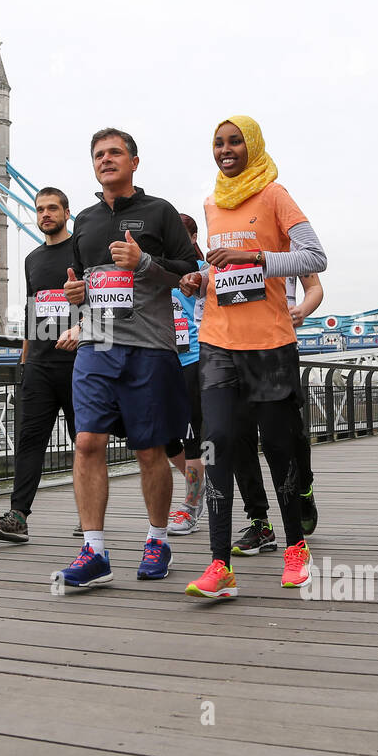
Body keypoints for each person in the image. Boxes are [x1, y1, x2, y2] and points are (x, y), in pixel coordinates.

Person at [182, 115, 327, 599]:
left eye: (234, 142)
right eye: (218, 143)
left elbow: (314, 259)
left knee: (281, 446)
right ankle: (219, 564)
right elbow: (218, 271)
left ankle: (295, 547)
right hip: (218, 342)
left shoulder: (274, 195)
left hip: (269, 344)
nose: (225, 150)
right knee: (218, 445)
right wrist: (199, 279)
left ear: (253, 146)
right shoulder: (211, 204)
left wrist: (258, 259)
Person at [57, 128, 196, 588]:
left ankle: (158, 540)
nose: (106, 159)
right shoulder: (86, 221)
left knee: (149, 450)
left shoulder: (160, 212)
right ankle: (94, 550)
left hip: (150, 348)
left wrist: (143, 263)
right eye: (98, 154)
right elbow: (84, 287)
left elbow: (189, 275)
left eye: (115, 152)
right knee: (87, 443)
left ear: (135, 162)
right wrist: (75, 295)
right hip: (96, 346)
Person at [0, 188, 81, 543]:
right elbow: (30, 311)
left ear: (66, 213)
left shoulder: (81, 251)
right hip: (38, 364)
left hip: (77, 363)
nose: (45, 215)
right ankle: (18, 516)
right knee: (29, 441)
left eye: (52, 208)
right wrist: (24, 363)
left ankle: (89, 513)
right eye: (39, 209)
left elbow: (100, 301)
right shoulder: (33, 258)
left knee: (82, 441)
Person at [230, 268, 324, 555]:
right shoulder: (225, 239)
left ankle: (303, 489)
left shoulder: (289, 241)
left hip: (277, 348)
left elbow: (315, 288)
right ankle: (260, 523)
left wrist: (302, 310)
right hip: (232, 348)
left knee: (287, 437)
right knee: (237, 437)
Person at [165, 213, 208, 536]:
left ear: (193, 238)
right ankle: (200, 483)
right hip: (162, 361)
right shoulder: (161, 270)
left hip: (195, 360)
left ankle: (191, 505)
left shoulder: (205, 272)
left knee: (194, 439)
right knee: (165, 438)